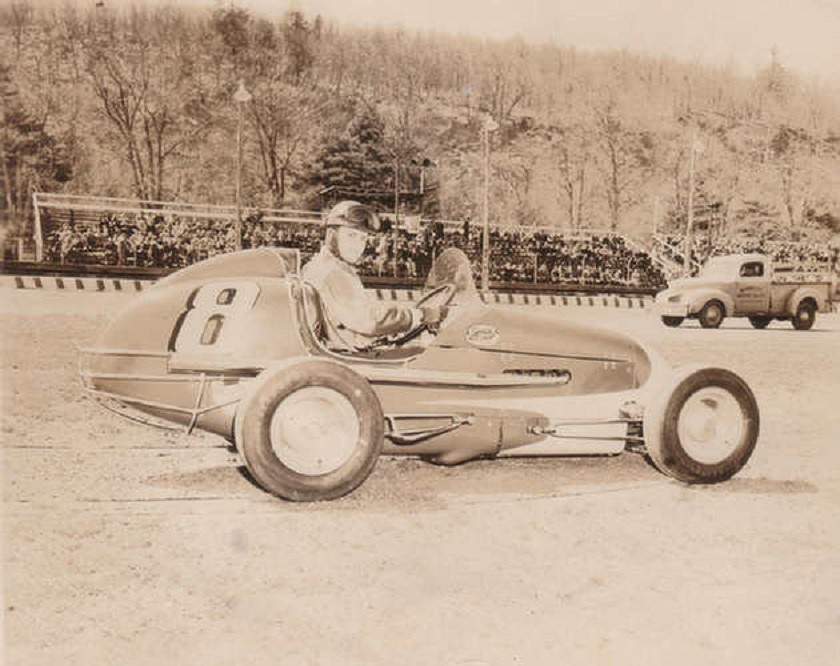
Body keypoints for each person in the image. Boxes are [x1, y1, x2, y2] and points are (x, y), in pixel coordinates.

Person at [301, 200, 447, 352]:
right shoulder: (333, 273)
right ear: (332, 235)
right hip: (348, 354)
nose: (358, 245)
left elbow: (361, 313)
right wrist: (420, 315)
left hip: (346, 345)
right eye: (351, 235)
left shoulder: (321, 266)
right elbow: (369, 321)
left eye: (363, 238)